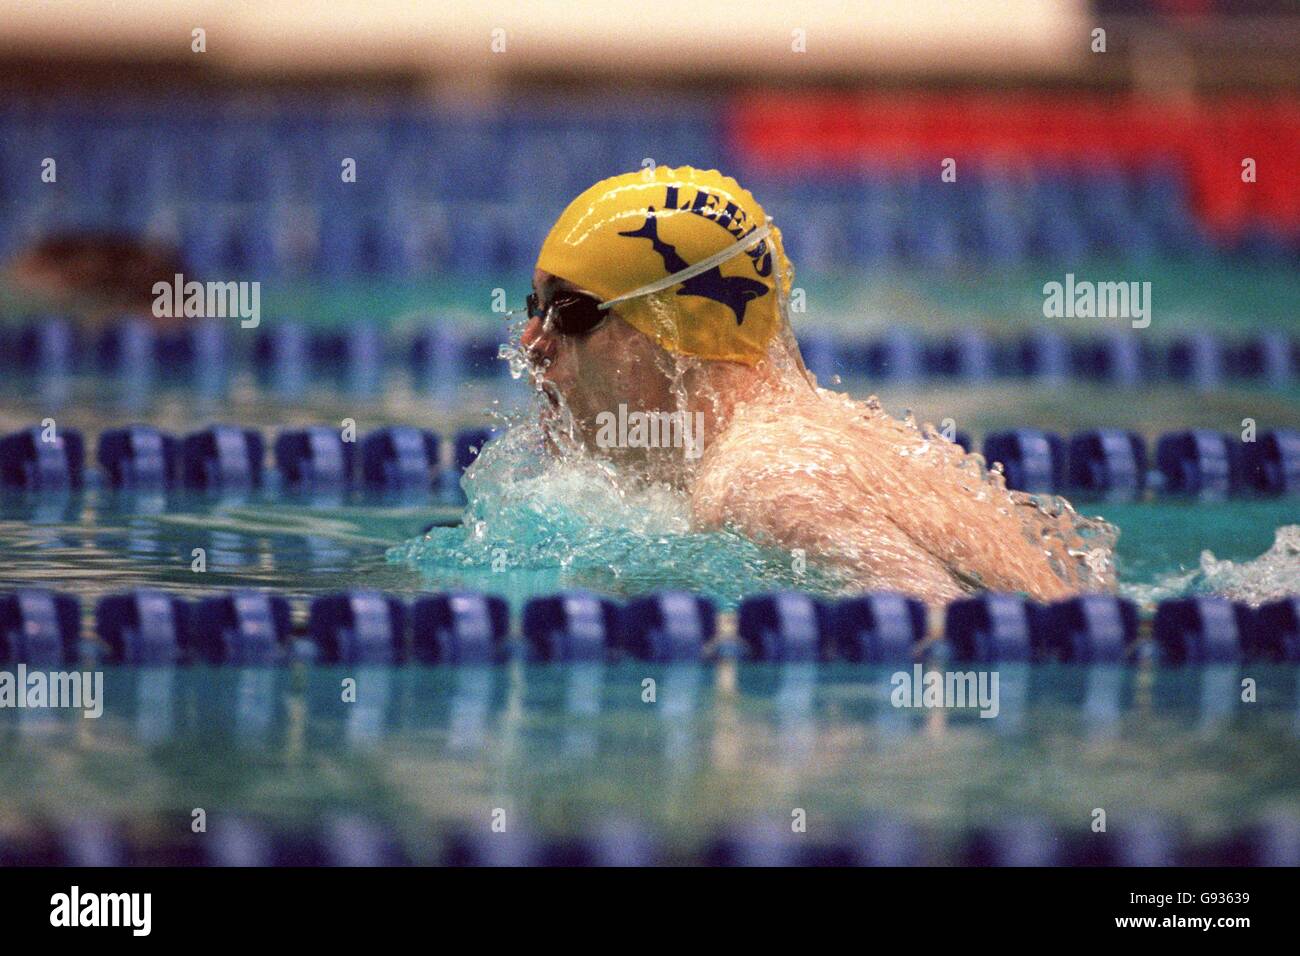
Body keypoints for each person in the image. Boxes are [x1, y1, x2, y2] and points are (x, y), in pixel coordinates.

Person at [520, 166, 1114, 604]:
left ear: (675, 328)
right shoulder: (784, 442)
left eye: (569, 312)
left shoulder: (769, 481)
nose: (532, 341)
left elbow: (952, 642)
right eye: (533, 306)